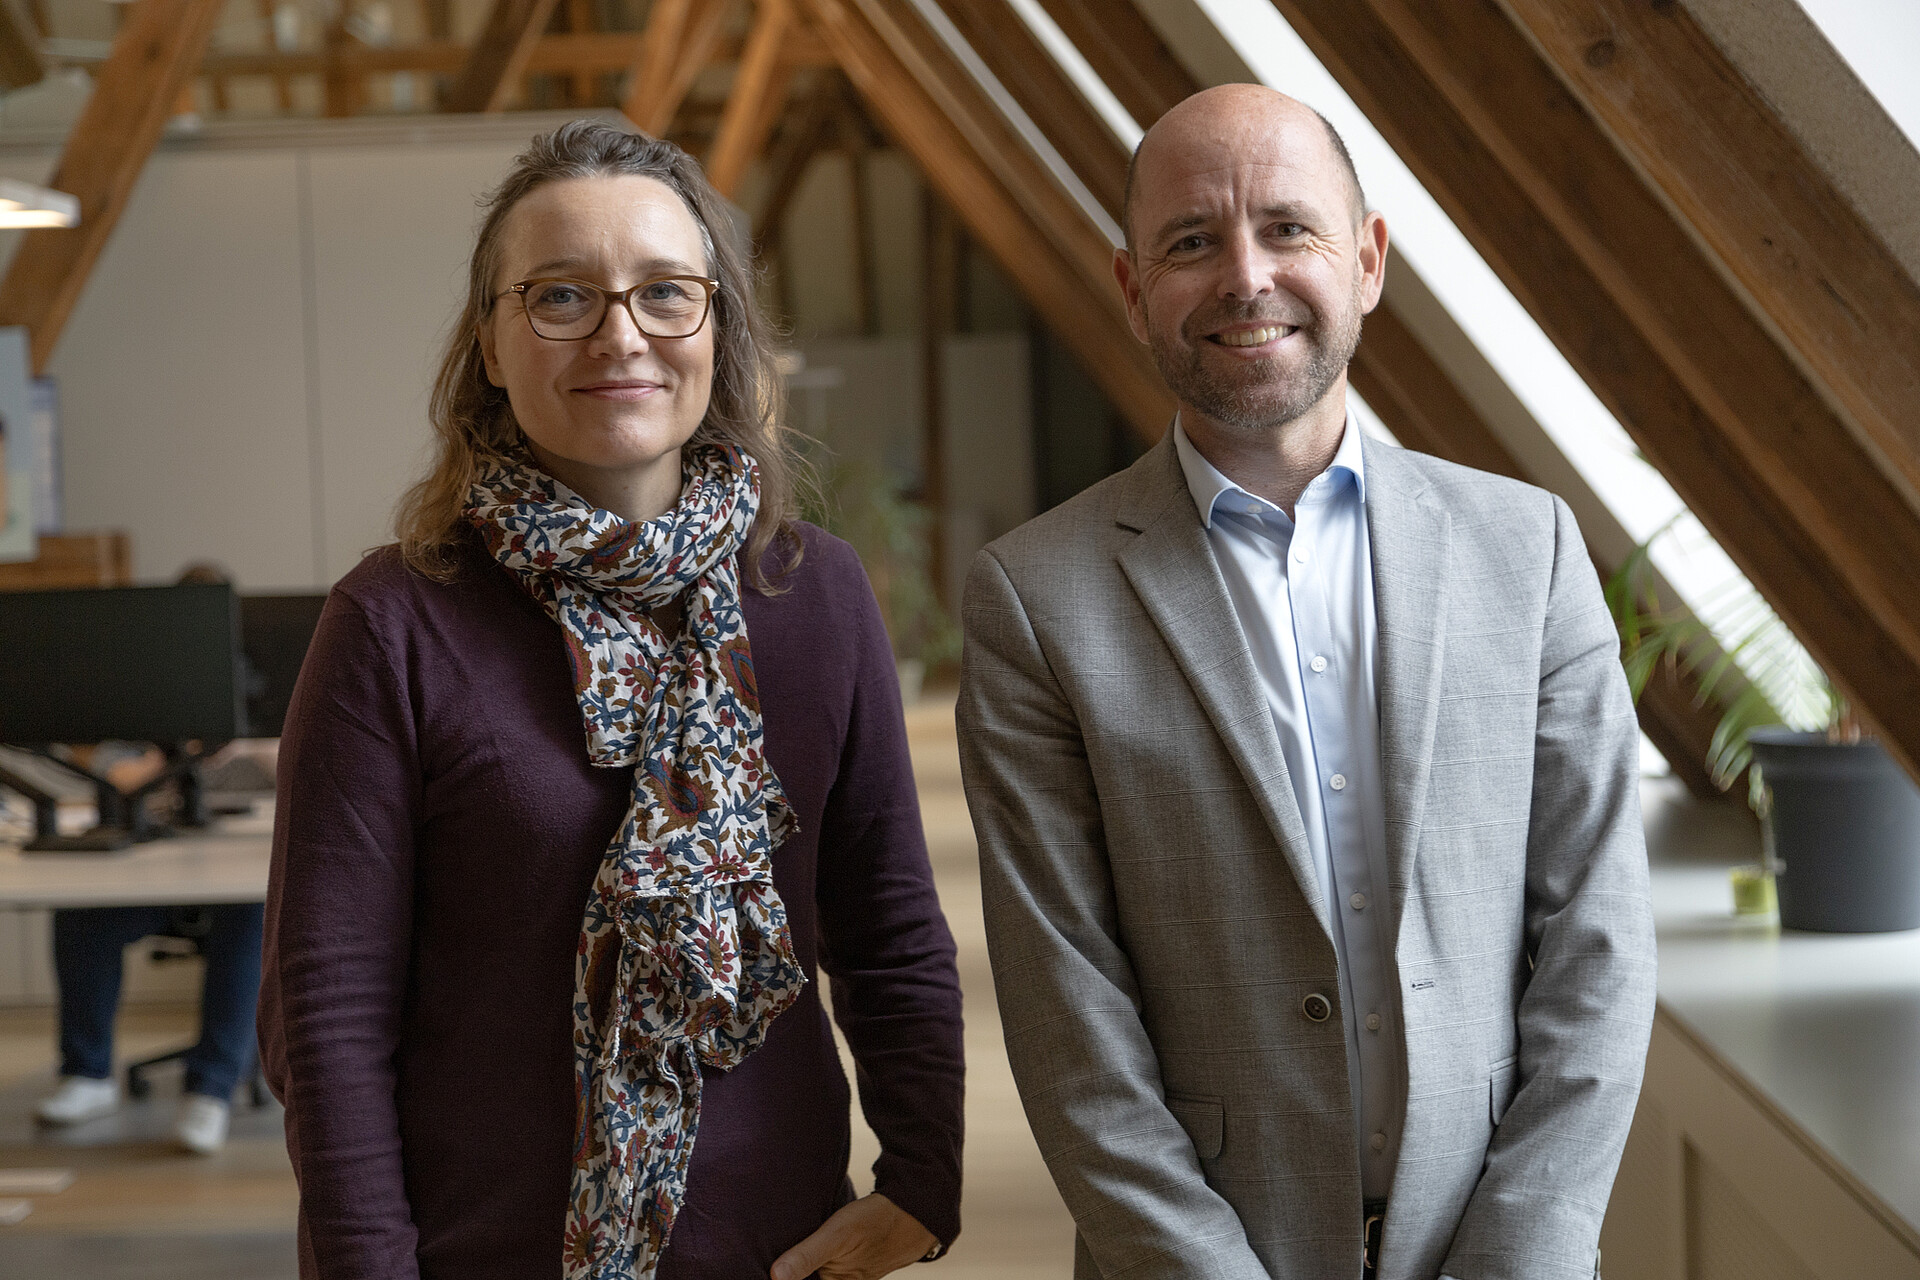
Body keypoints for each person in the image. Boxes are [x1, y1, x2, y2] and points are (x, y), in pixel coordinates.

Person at [956, 84, 1655, 1280]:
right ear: (1132, 289)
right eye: (1191, 240)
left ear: (1368, 261)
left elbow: (1599, 939)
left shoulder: (1527, 548)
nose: (1245, 275)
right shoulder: (1037, 599)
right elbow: (1071, 1018)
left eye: (1288, 227)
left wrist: (1521, 1252)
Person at [258, 121, 963, 1280]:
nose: (620, 334)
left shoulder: (815, 593)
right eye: (560, 296)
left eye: (665, 292)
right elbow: (325, 1015)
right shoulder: (394, 620)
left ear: (717, 328)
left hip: (778, 1251)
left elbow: (887, 930)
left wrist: (922, 1183)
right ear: (489, 341)